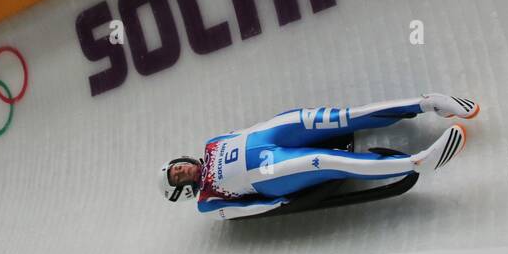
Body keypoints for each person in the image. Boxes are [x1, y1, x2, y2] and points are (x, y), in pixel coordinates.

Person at [160, 94, 479, 219]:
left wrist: (279, 120)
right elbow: (241, 211)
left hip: (275, 132)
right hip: (269, 175)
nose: (182, 169)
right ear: (182, 189)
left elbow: (248, 131)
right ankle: (419, 161)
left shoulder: (210, 144)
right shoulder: (207, 200)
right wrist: (283, 203)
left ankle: (426, 103)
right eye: (178, 176)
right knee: (325, 161)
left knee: (345, 116)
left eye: (177, 166)